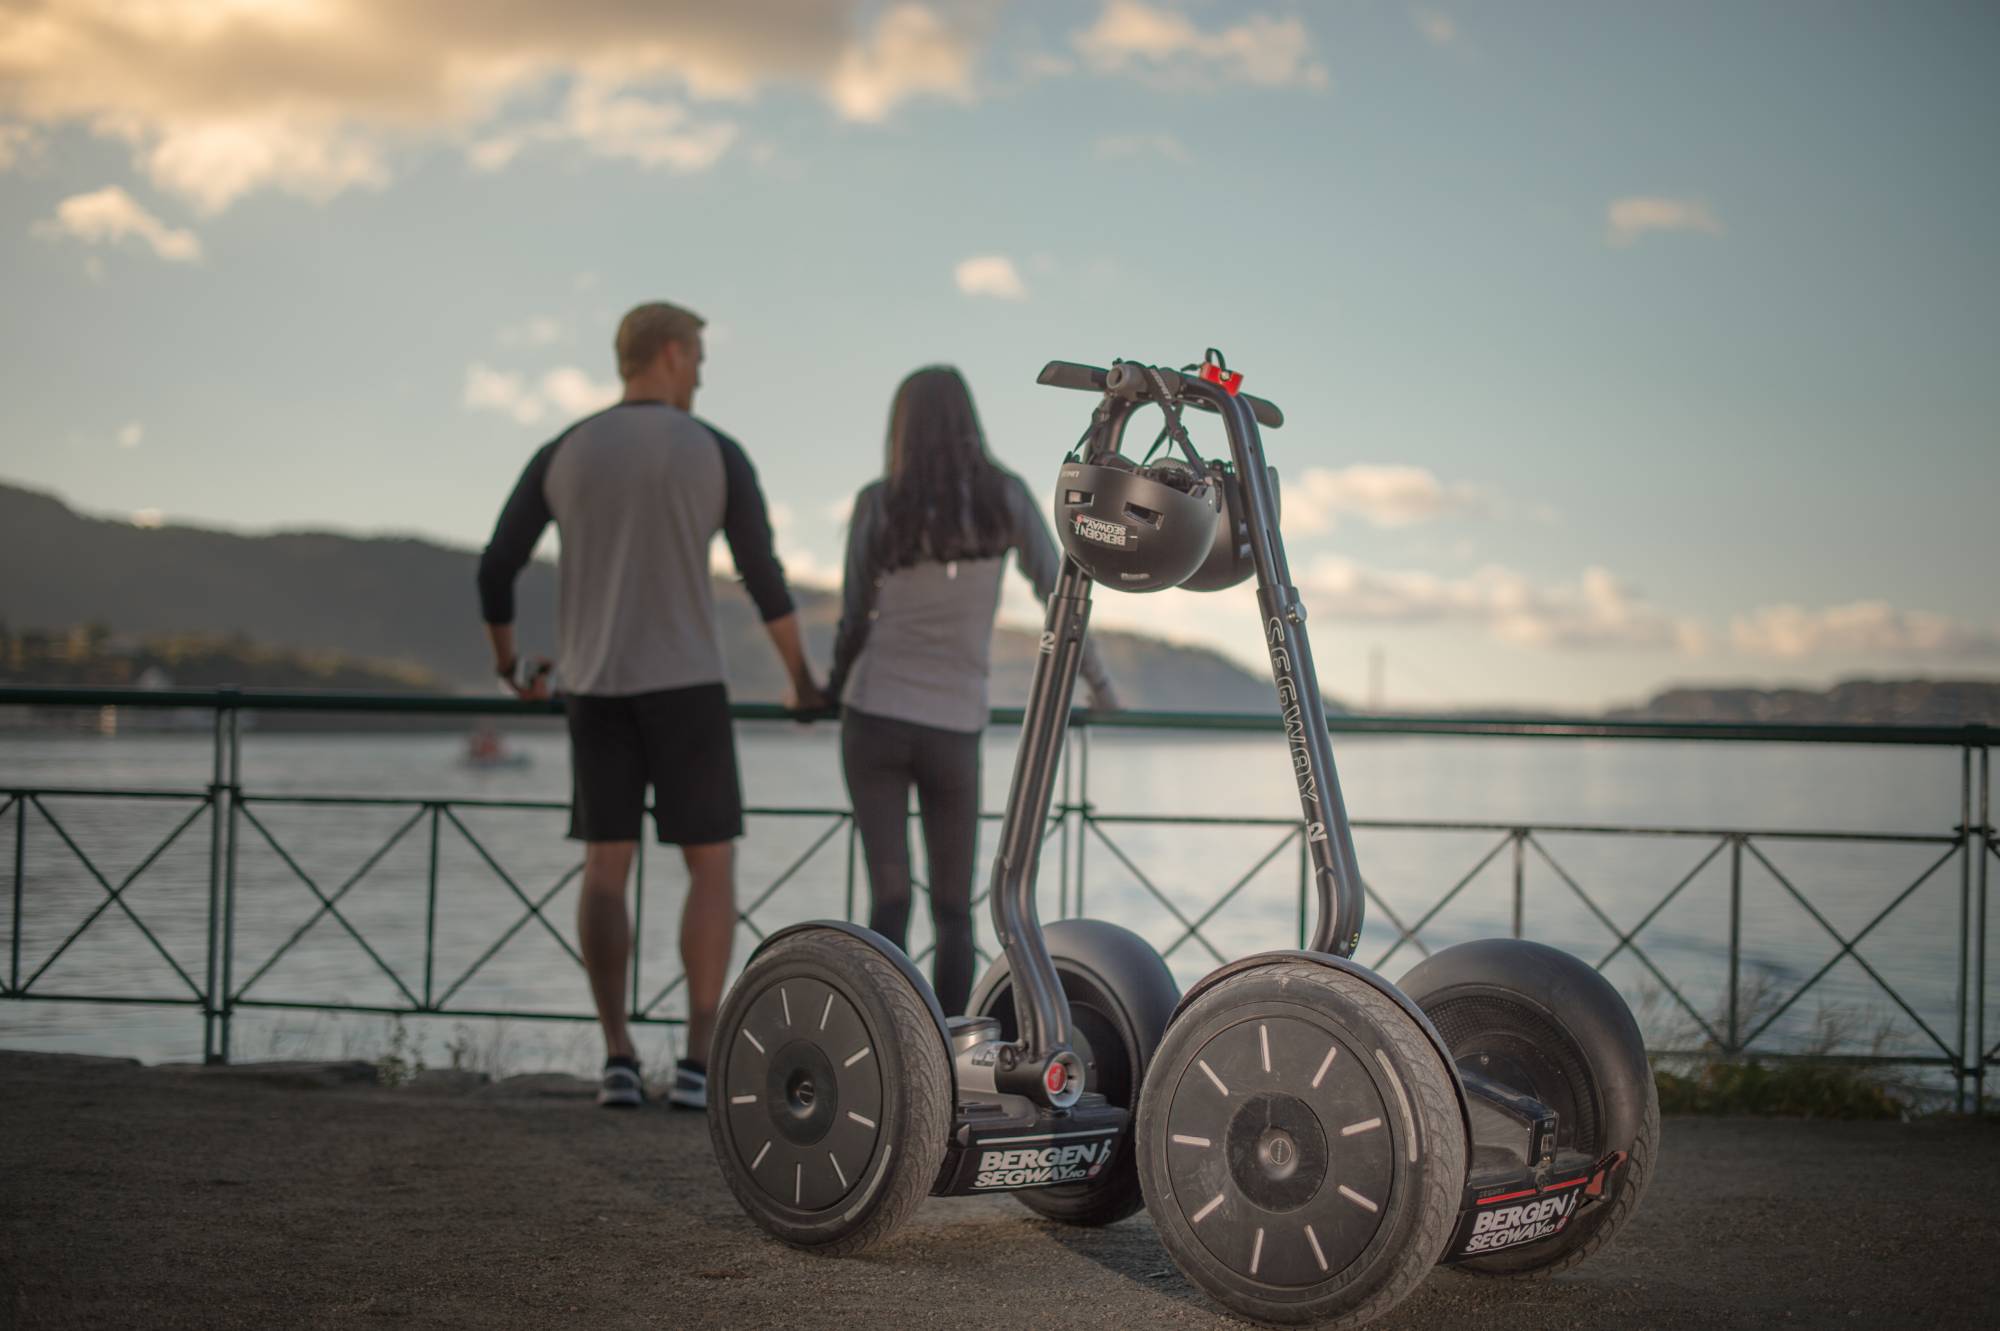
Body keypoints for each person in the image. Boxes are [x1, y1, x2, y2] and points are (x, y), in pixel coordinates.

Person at [477, 301, 824, 1110]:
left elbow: (495, 570)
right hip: (686, 686)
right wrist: (803, 681)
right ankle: (700, 1058)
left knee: (606, 866)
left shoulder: (565, 451)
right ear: (668, 353)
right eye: (698, 354)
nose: (701, 370)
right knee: (711, 865)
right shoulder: (713, 451)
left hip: (593, 687)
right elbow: (761, 575)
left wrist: (509, 667)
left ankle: (618, 1057)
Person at [827, 366, 1117, 1016]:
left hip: (871, 715)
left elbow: (853, 616)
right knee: (954, 909)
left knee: (890, 896)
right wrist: (1100, 683)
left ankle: (884, 1040)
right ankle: (949, 1047)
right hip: (953, 726)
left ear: (900, 425)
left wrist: (824, 690)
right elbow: (1062, 595)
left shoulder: (880, 502)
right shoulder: (1004, 498)